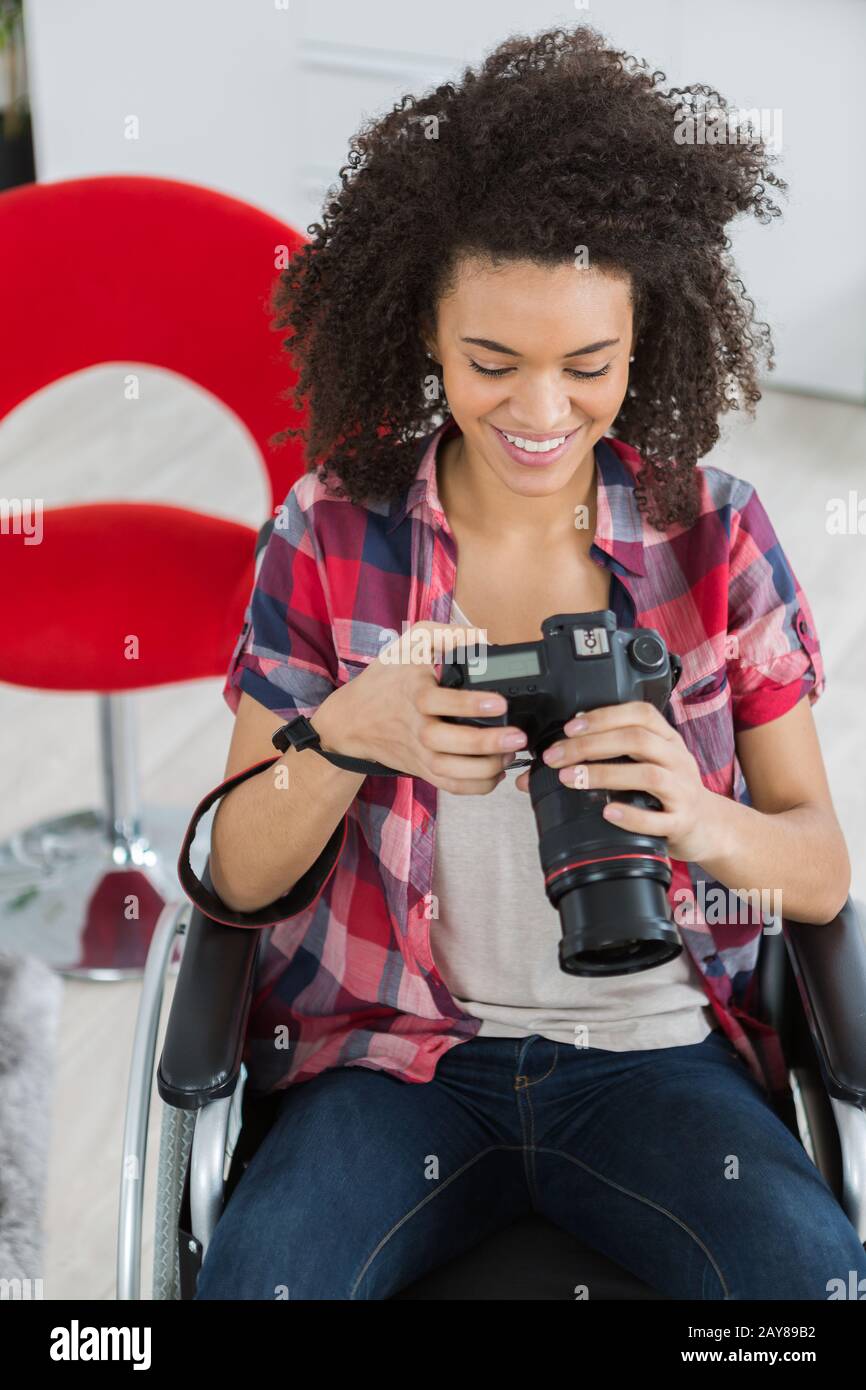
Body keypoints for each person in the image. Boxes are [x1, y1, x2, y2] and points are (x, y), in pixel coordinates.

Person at [191, 25, 865, 1299]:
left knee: (810, 1293)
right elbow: (233, 872)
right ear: (426, 340)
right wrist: (349, 732)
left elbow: (820, 872)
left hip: (653, 1057)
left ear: (643, 340)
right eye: (491, 363)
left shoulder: (713, 535)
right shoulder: (329, 532)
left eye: (588, 366)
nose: (541, 413)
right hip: (389, 1063)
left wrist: (695, 815)